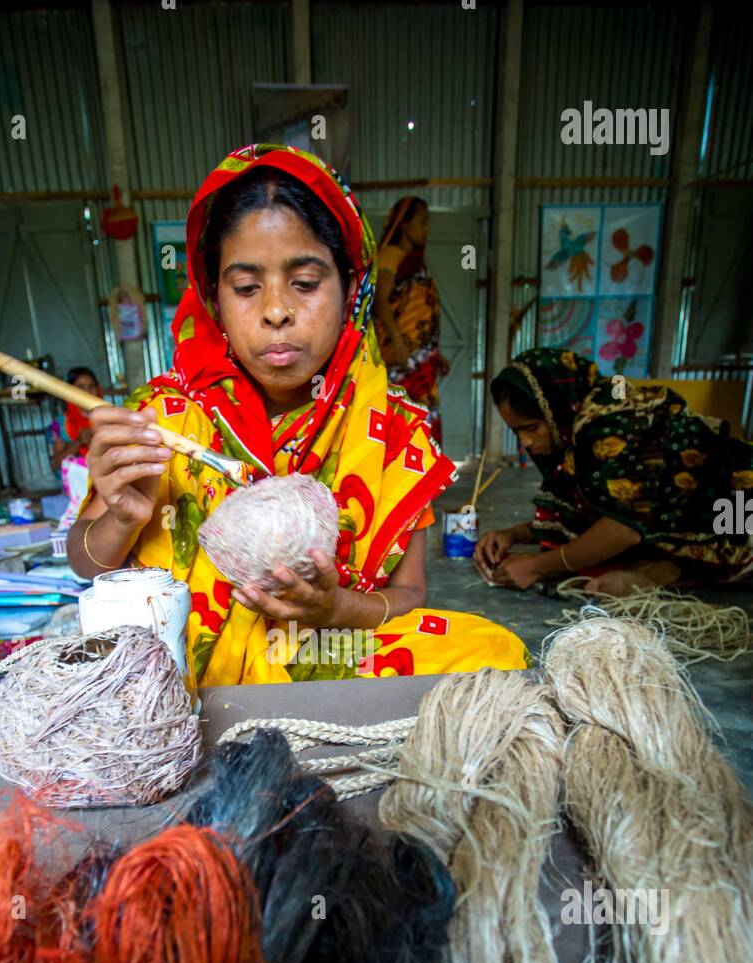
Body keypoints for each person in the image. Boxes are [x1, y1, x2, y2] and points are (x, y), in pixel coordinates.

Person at [68, 144, 526, 685]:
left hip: (331, 647)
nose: (277, 309)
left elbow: (407, 597)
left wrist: (336, 610)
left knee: (493, 651)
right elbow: (85, 564)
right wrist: (122, 517)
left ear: (353, 289)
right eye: (245, 287)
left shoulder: (394, 429)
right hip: (185, 673)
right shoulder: (162, 420)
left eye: (305, 283)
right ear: (214, 299)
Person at [476, 348, 753, 595]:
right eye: (516, 431)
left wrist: (537, 567)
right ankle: (663, 567)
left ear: (555, 409)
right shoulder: (573, 429)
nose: (525, 443)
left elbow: (624, 528)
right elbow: (582, 513)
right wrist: (513, 534)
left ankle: (674, 568)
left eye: (532, 428)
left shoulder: (605, 426)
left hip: (735, 512)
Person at [372, 196, 449, 446]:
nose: (427, 229)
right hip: (400, 355)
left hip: (419, 355)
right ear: (404, 224)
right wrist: (397, 339)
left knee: (423, 415)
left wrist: (436, 354)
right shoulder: (390, 257)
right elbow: (380, 301)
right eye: (423, 222)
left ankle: (425, 476)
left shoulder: (416, 263)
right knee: (405, 418)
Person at [49, 367, 105, 532]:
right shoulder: (62, 424)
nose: (87, 391)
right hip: (76, 493)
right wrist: (79, 442)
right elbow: (56, 465)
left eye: (91, 386)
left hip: (105, 487)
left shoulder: (109, 417)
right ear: (70, 390)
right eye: (80, 387)